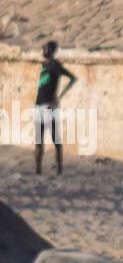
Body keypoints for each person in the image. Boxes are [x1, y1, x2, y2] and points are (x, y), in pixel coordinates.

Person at [33, 40, 77, 175]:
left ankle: (59, 169)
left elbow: (72, 78)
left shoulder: (55, 65)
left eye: (45, 48)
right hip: (39, 104)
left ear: (51, 51)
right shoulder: (45, 64)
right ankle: (38, 171)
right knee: (38, 140)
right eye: (43, 48)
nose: (43, 50)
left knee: (55, 138)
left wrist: (59, 97)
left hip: (49, 105)